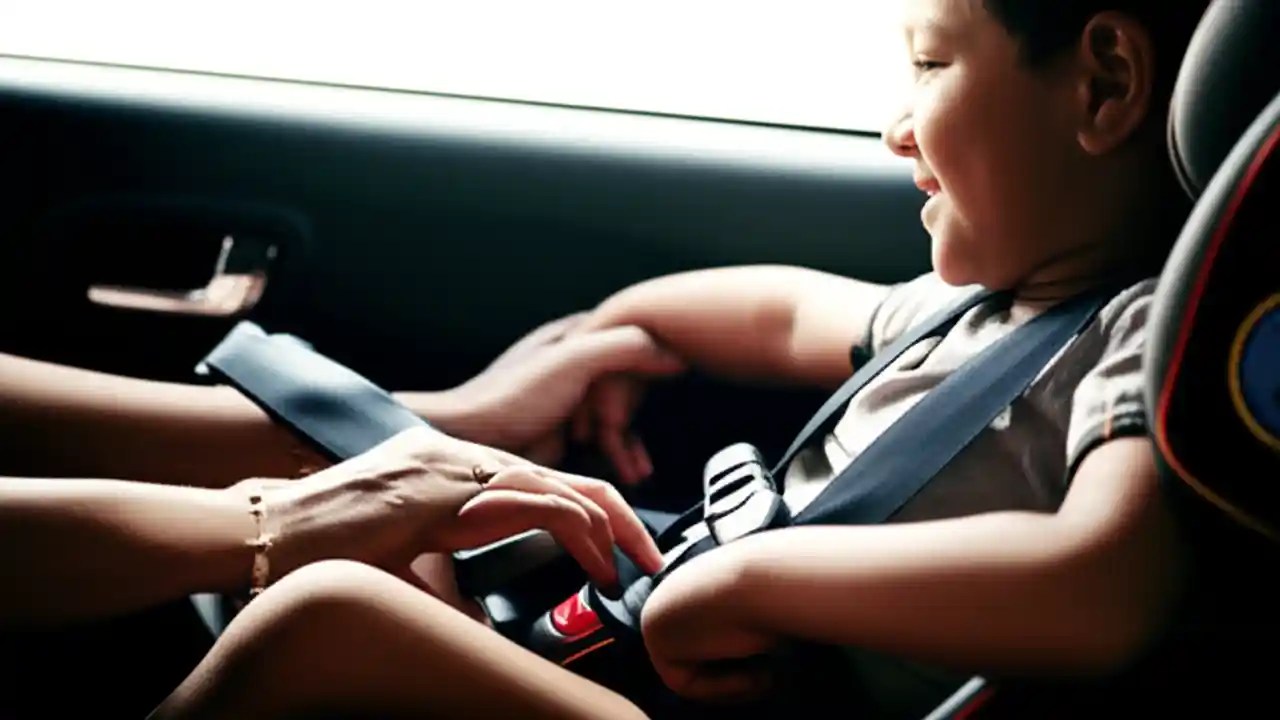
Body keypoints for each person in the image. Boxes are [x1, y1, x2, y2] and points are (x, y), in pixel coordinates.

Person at [135, 0, 1216, 718]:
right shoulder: (973, 308)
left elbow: (1102, 589)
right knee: (406, 528)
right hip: (678, 639)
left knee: (325, 618)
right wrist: (620, 333)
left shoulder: (1130, 341)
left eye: (928, 66)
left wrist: (753, 578)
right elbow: (780, 316)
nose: (895, 127)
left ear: (1102, 87)